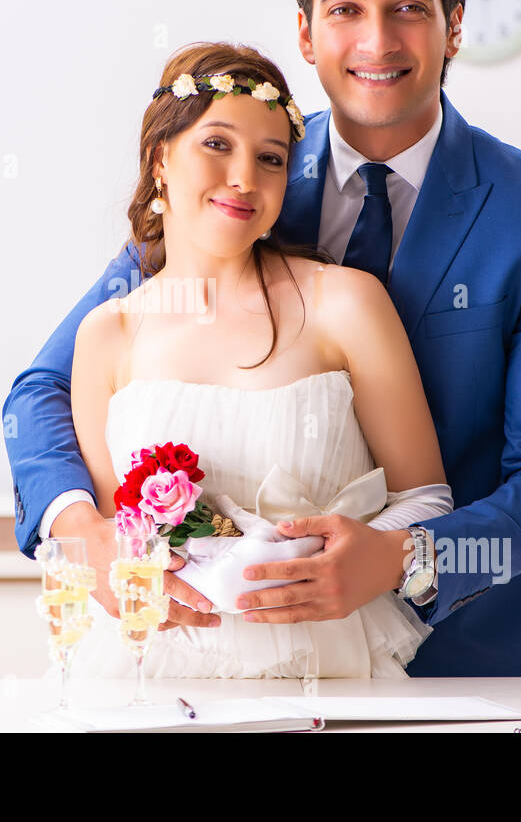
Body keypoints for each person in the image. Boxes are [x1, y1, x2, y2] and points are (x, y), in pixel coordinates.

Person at [3, 0, 521, 677]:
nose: (376, 39)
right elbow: (43, 389)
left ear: (453, 24)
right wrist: (82, 530)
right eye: (344, 9)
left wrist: (403, 558)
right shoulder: (236, 178)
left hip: (472, 664)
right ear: (304, 31)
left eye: (407, 7)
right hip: (213, 665)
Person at [61, 42, 454, 678]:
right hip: (158, 671)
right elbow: (116, 537)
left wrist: (362, 556)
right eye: (217, 145)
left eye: (270, 159)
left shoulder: (346, 302)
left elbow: (428, 498)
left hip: (325, 663)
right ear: (161, 158)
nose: (245, 177)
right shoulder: (107, 334)